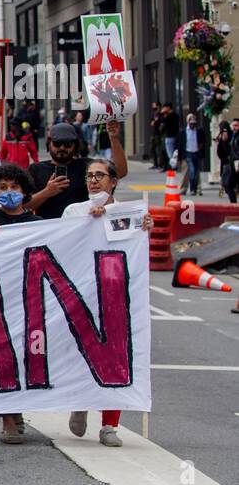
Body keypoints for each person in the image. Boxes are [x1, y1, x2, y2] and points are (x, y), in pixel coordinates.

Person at [61, 157, 153, 447]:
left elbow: (135, 250)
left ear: (114, 181)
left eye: (100, 175)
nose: (93, 180)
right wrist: (89, 219)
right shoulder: (73, 210)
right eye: (89, 175)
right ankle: (80, 402)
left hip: (114, 296)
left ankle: (110, 424)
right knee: (81, 353)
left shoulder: (128, 213)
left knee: (116, 358)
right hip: (81, 293)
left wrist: (145, 226)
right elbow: (62, 244)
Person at [0, 164, 42, 445]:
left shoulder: (37, 223)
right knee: (2, 358)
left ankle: (18, 409)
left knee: (28, 358)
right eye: (3, 188)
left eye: (14, 187)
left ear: (24, 191)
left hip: (29, 300)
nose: (9, 192)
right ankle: (7, 417)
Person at [26, 120, 126, 220]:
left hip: (83, 228)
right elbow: (23, 206)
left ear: (76, 145)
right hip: (49, 231)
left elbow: (120, 171)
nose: (62, 148)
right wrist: (47, 192)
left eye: (67, 144)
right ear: (49, 143)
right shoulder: (35, 169)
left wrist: (114, 139)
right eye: (57, 143)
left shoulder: (87, 166)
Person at [178, 111, 208, 195]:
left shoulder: (199, 130)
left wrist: (200, 148)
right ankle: (186, 188)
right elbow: (180, 144)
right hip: (187, 153)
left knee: (196, 172)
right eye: (191, 123)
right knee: (188, 172)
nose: (192, 125)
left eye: (194, 123)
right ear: (188, 122)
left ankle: (197, 189)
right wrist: (179, 157)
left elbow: (203, 140)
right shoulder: (183, 132)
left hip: (196, 153)